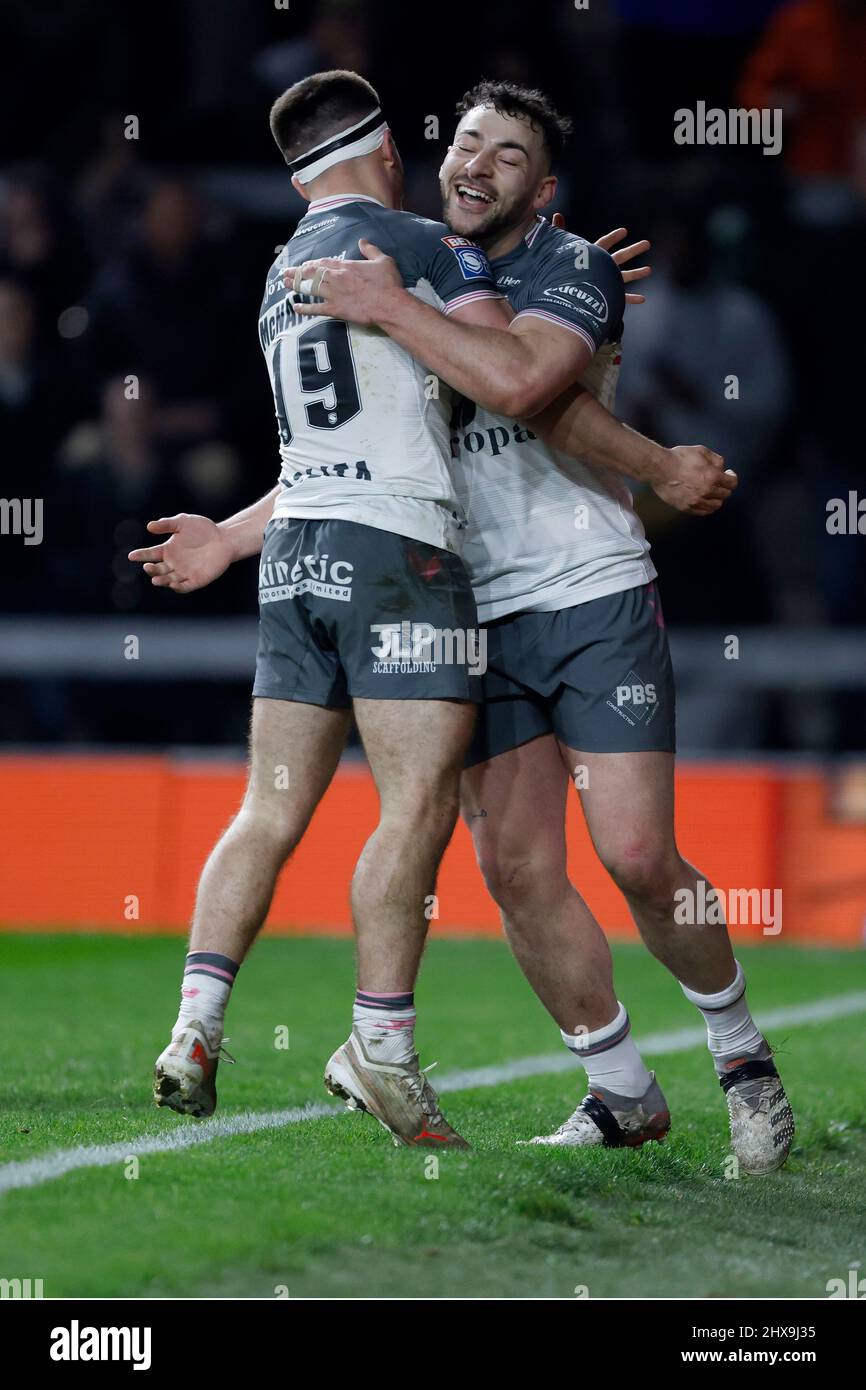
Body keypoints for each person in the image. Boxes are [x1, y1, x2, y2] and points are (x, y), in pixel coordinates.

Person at [280, 80, 794, 1174]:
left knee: (639, 854)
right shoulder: (415, 262)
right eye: (465, 141)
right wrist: (237, 536)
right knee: (513, 869)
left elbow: (524, 389)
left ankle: (741, 1059)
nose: (476, 163)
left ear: (542, 187)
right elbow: (351, 449)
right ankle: (617, 1088)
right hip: (467, 605)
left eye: (507, 155)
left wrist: (391, 309)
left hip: (586, 585)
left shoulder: (572, 265)